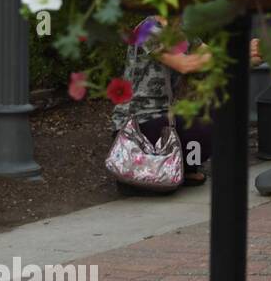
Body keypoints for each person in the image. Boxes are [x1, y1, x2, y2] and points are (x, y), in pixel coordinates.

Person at [110, 17, 260, 189]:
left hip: (166, 118)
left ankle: (183, 167)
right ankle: (136, 171)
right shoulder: (149, 29)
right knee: (204, 127)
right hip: (137, 124)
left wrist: (260, 53)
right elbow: (185, 64)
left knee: (220, 114)